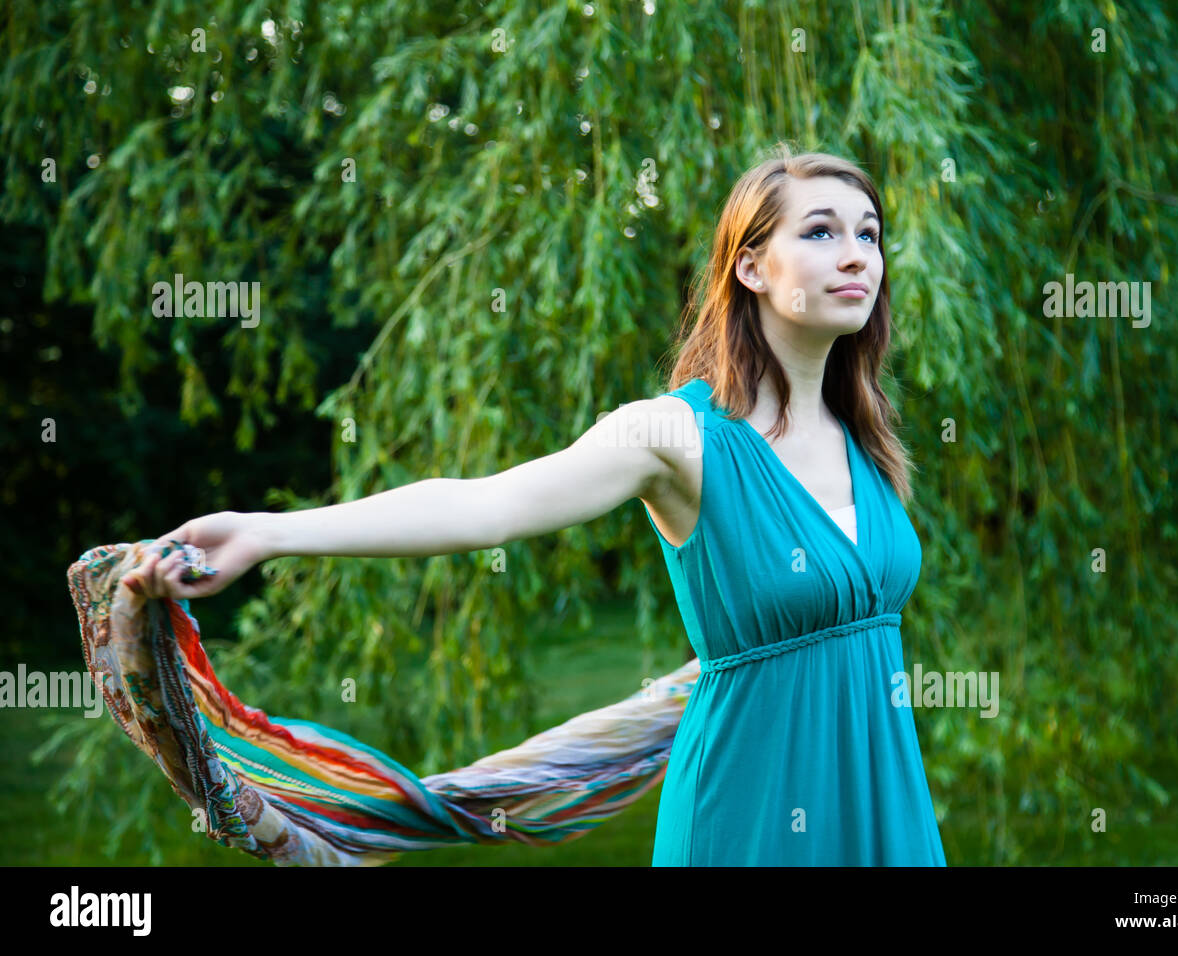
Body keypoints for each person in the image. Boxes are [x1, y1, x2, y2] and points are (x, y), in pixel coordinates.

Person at [125, 143, 946, 866]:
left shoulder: (867, 439)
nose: (856, 256)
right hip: (753, 810)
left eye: (869, 233)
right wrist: (269, 533)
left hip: (885, 804)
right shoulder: (679, 437)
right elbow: (485, 507)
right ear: (752, 267)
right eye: (821, 231)